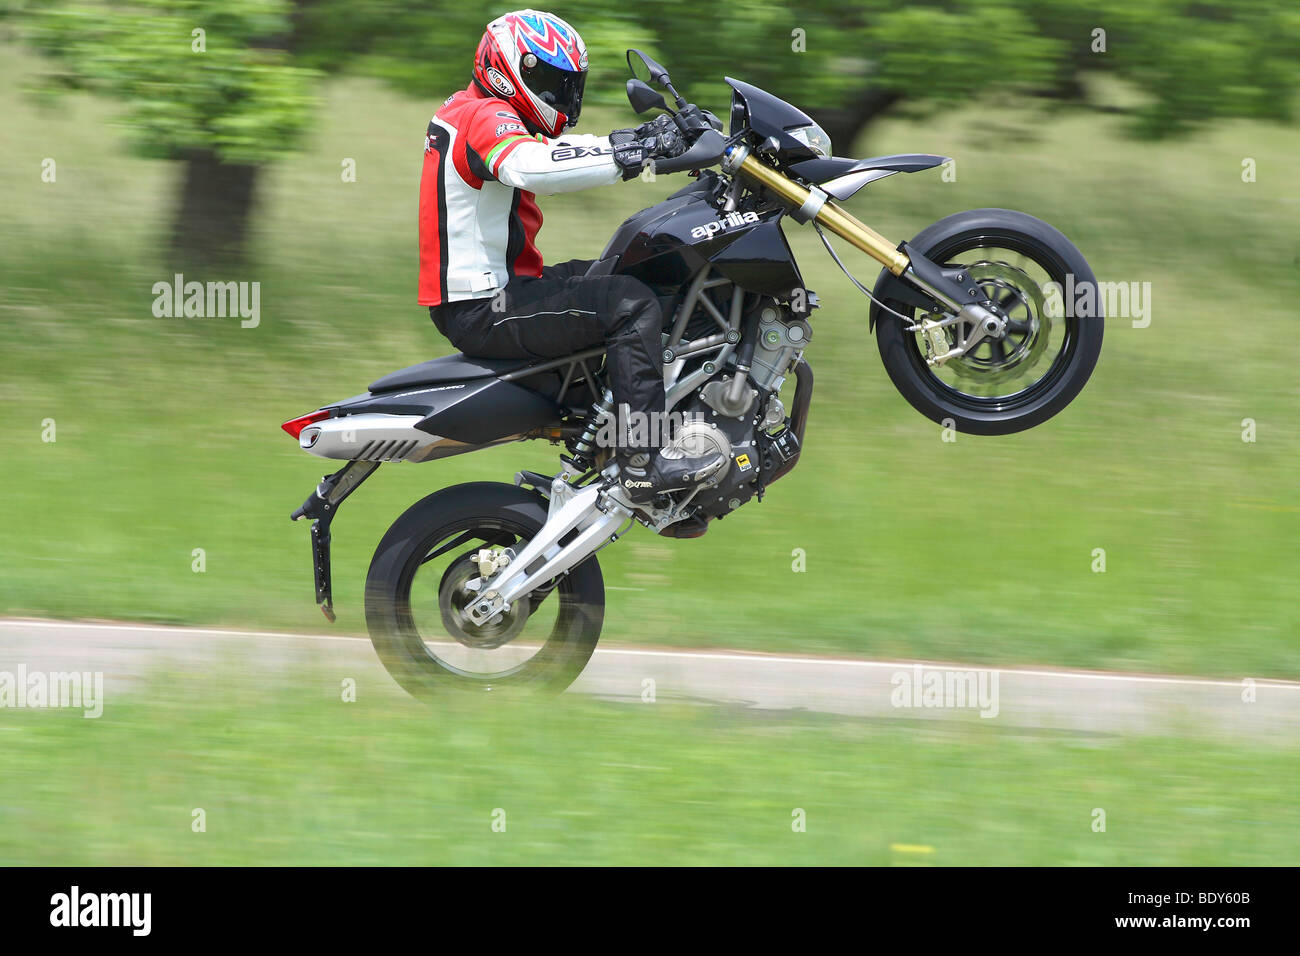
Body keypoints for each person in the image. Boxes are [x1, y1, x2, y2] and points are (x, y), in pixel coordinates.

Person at [418, 9, 725, 504]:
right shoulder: (482, 115)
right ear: (509, 67)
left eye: (570, 84)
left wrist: (649, 141)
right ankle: (642, 460)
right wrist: (638, 151)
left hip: (498, 294)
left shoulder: (477, 110)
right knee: (629, 303)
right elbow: (535, 166)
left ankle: (627, 421)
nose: (564, 97)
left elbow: (562, 149)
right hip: (484, 307)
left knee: (632, 270)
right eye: (553, 82)